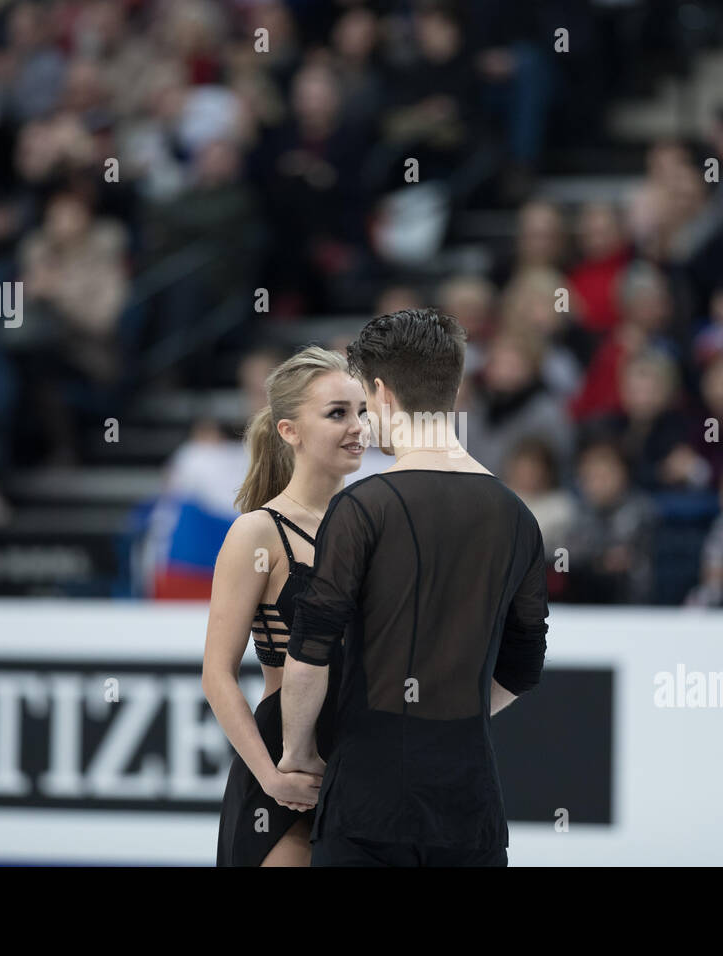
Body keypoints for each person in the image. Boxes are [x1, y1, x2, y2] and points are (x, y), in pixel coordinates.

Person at [279, 307, 550, 867]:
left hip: (367, 802)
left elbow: (310, 651)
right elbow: (523, 668)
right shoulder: (517, 515)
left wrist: (298, 752)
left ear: (381, 392)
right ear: (453, 389)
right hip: (468, 809)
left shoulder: (362, 508)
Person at [204, 345, 367, 866]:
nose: (357, 427)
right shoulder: (258, 532)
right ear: (289, 430)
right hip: (283, 761)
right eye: (337, 413)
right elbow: (217, 674)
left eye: (362, 411)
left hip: (365, 760)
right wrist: (269, 775)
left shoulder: (374, 525)